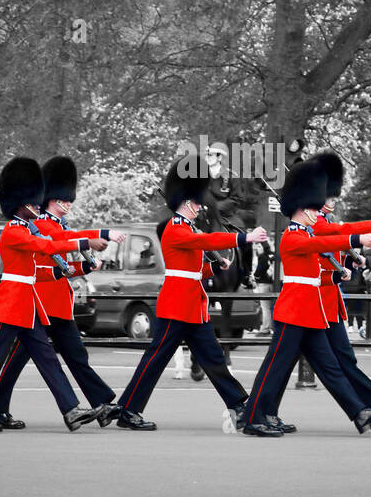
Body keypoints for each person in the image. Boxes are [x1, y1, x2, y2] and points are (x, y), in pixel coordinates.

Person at [111, 158, 268, 431]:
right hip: (176, 305)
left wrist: (214, 266)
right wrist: (244, 238)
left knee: (214, 359)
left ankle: (239, 405)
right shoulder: (175, 229)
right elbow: (203, 241)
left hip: (192, 305)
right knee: (155, 360)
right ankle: (127, 410)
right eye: (197, 203)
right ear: (186, 202)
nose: (200, 207)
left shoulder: (186, 227)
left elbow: (192, 269)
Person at [0, 157, 111, 434]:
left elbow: (38, 272)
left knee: (47, 359)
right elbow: (46, 245)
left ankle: (70, 410)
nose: (38, 205)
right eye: (33, 201)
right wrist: (85, 241)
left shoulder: (26, 227)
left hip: (28, 304)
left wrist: (63, 272)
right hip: (12, 303)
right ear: (20, 202)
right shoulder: (13, 231)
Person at [262, 151, 371, 433]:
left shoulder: (314, 221)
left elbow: (329, 246)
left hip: (321, 301)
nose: (329, 202)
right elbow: (338, 233)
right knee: (288, 364)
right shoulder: (309, 225)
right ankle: (259, 412)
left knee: (333, 361)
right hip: (311, 302)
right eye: (326, 197)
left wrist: (347, 261)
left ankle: (363, 408)